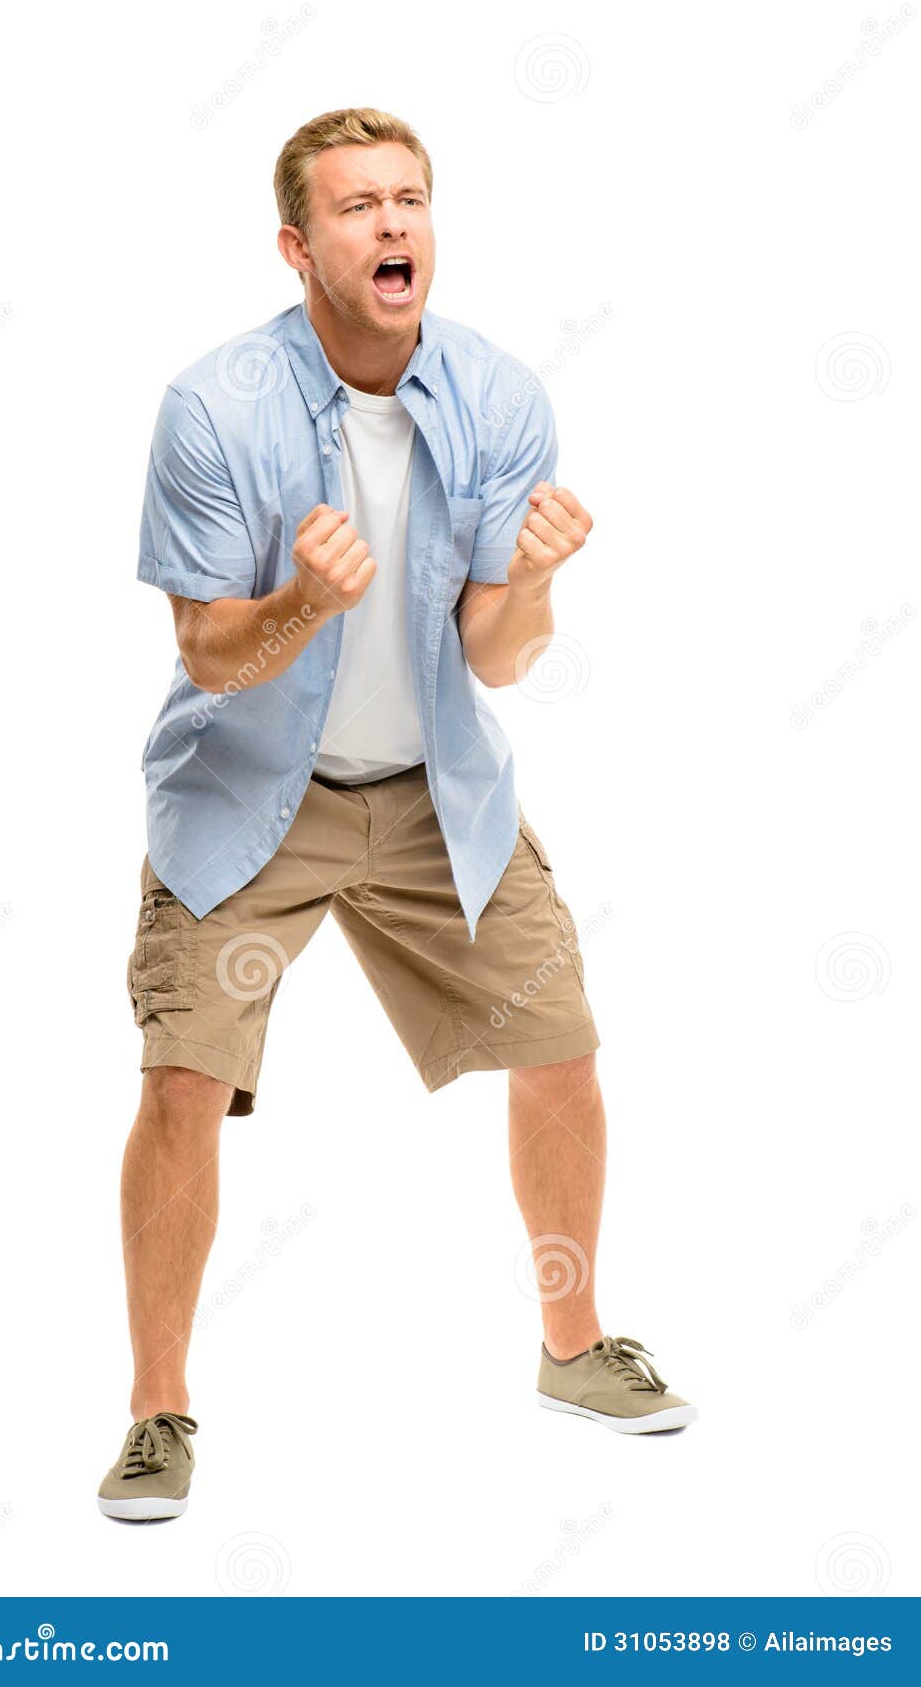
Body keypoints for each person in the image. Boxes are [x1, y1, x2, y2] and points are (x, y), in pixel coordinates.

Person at [98, 107, 696, 1522]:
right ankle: (155, 1412)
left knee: (561, 1046)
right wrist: (308, 596)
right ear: (299, 247)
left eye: (410, 200)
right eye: (359, 207)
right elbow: (208, 653)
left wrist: (538, 578)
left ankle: (571, 1345)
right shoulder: (214, 406)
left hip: (434, 795)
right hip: (250, 801)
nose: (394, 227)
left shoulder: (497, 395)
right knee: (186, 1075)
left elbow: (495, 655)